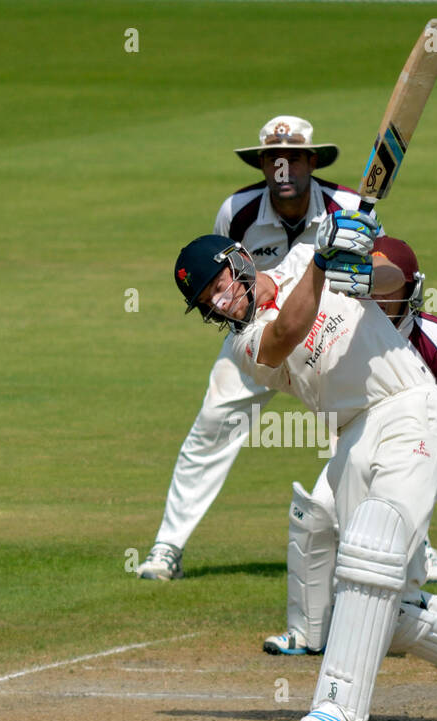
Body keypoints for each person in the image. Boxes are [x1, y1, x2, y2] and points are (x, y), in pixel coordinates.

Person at [172, 213, 437, 721]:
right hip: (350, 437)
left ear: (239, 259)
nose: (217, 302)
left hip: (409, 405)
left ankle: (338, 703)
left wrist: (358, 267)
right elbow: (287, 333)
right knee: (387, 608)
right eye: (205, 302)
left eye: (217, 285)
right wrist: (324, 263)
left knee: (371, 549)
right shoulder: (246, 345)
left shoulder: (303, 259)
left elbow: (397, 282)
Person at [265, 235, 437, 721]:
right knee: (320, 511)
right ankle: (311, 632)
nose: (378, 301)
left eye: (387, 290)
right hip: (377, 435)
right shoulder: (347, 330)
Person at [136, 116, 361, 581]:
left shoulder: (347, 205)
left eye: (294, 158)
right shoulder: (236, 211)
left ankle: (413, 554)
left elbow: (369, 274)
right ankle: (167, 548)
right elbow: (219, 286)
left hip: (332, 330)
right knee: (213, 424)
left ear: (312, 161)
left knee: (365, 435)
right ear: (261, 164)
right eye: (274, 159)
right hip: (259, 333)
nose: (284, 169)